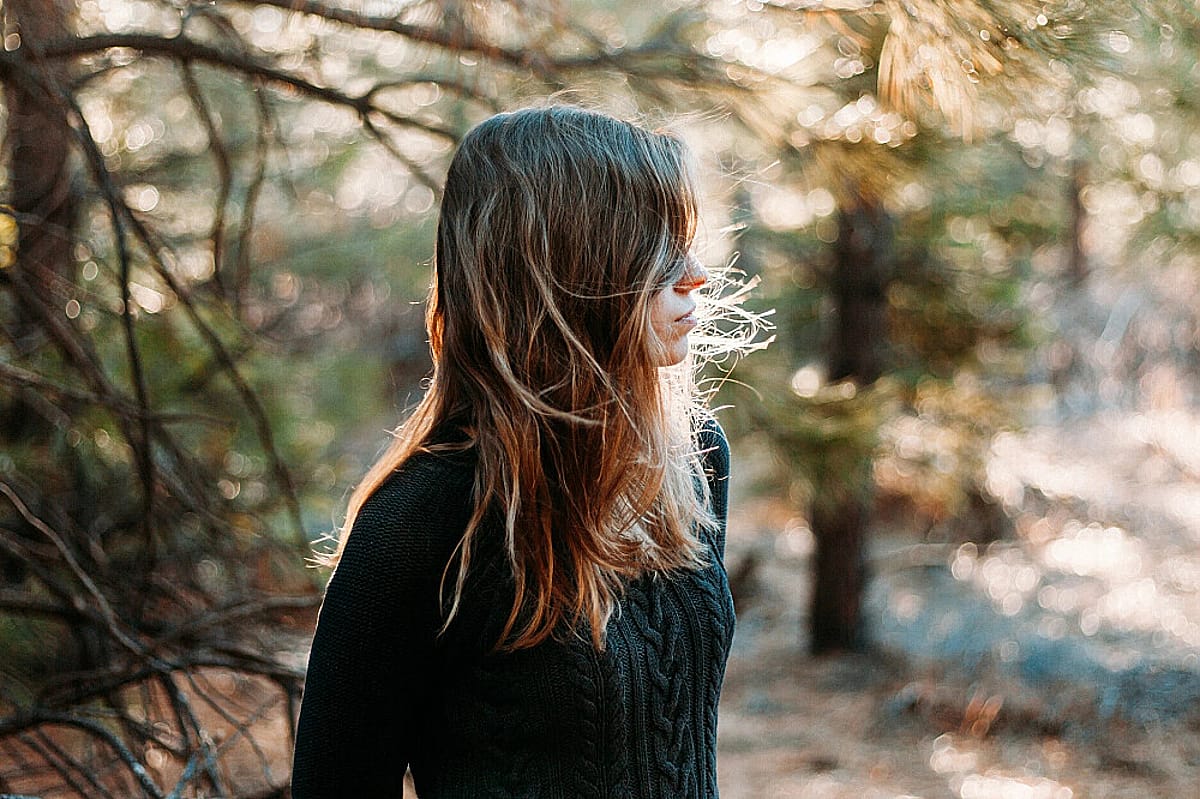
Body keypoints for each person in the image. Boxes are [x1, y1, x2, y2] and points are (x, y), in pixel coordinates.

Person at [291, 104, 734, 798]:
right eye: (656, 243)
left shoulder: (697, 461)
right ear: (567, 269)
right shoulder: (420, 522)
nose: (696, 273)